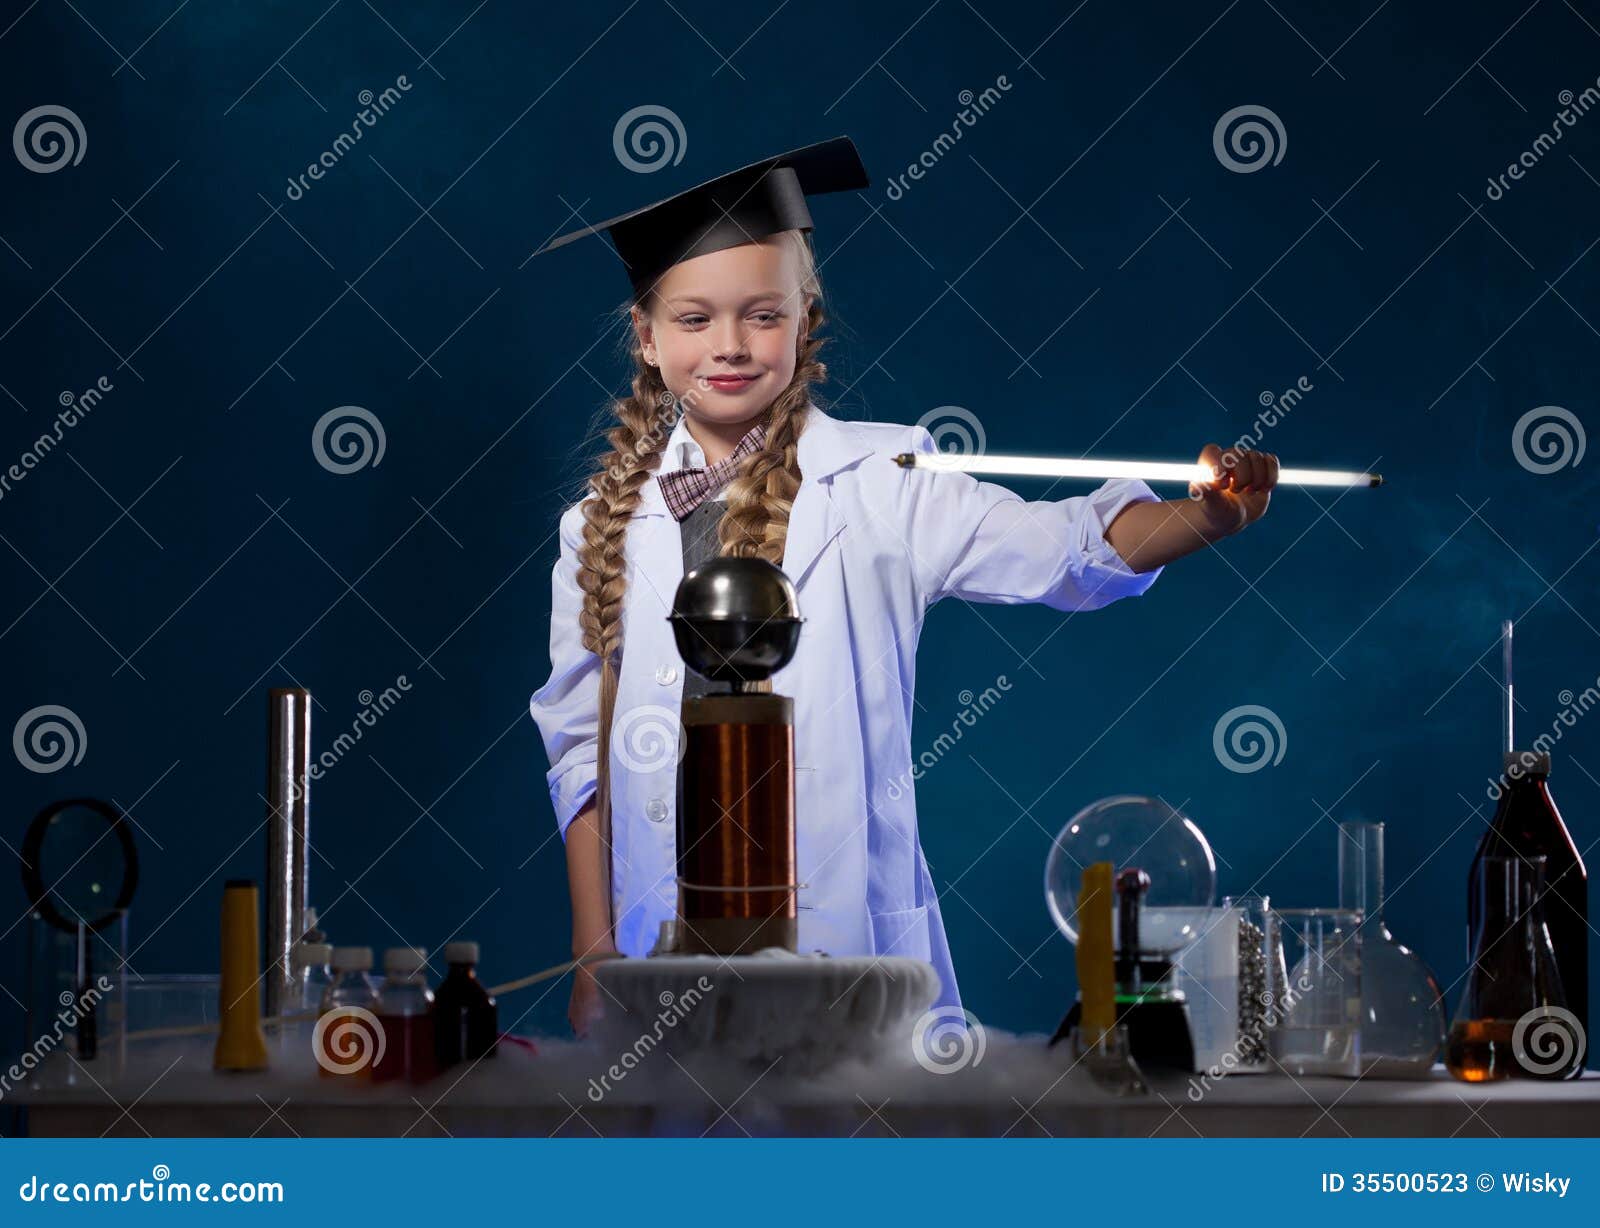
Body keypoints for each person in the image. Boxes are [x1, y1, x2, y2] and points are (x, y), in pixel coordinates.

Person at [526, 138, 1279, 1034]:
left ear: (805, 320)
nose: (728, 345)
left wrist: (1206, 518)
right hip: (665, 957)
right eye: (694, 320)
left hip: (844, 950)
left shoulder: (885, 483)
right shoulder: (598, 526)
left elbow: (1062, 546)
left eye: (761, 315)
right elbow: (583, 766)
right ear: (647, 338)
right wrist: (594, 955)